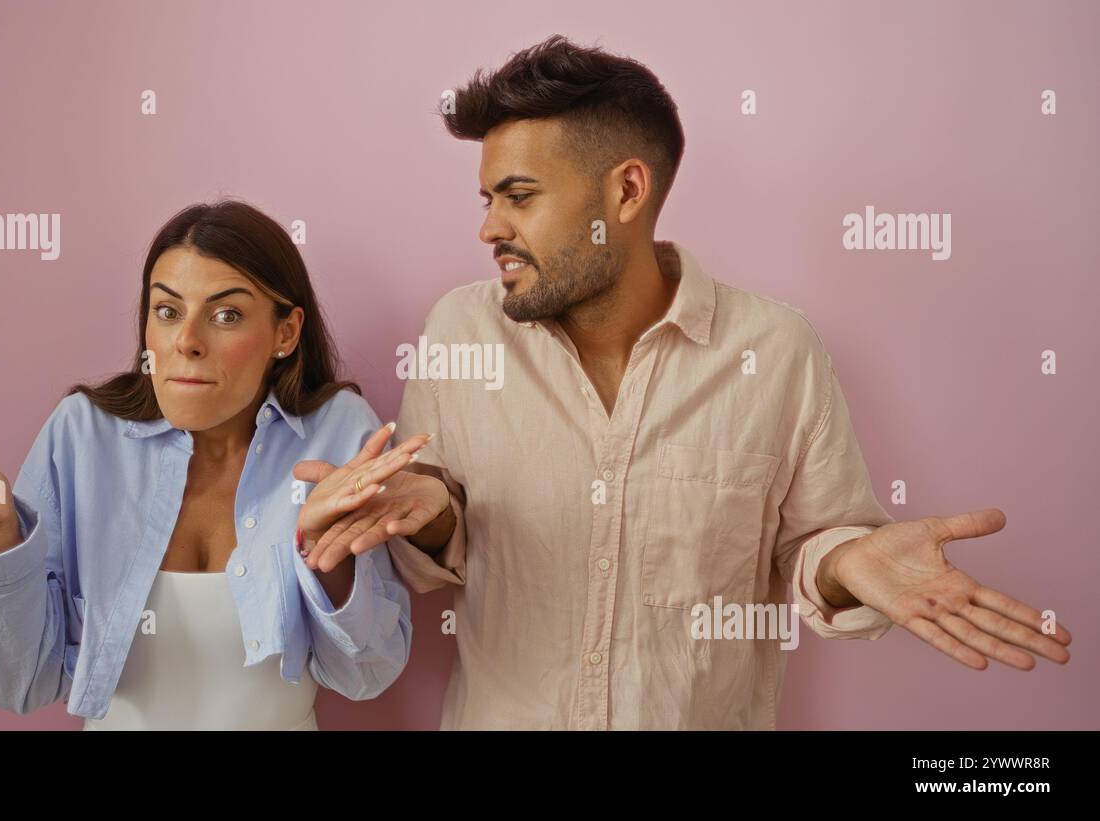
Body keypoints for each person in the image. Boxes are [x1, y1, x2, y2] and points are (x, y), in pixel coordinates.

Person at [296, 36, 1073, 729]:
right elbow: (448, 533)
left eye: (520, 196)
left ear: (626, 193)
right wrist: (428, 512)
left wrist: (846, 562)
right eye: (489, 197)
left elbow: (815, 544)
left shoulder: (776, 349)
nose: (490, 227)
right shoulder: (461, 332)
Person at [0, 199, 421, 730]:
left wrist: (327, 556)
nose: (187, 341)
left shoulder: (340, 430)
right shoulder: (83, 433)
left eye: (226, 315)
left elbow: (366, 674)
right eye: (167, 312)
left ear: (285, 332)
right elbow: (20, 684)